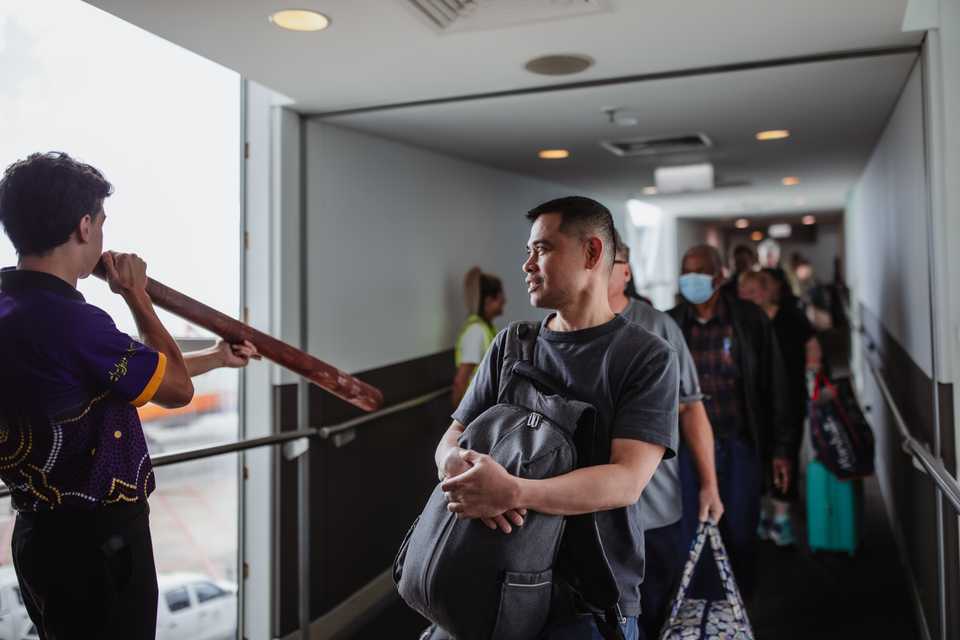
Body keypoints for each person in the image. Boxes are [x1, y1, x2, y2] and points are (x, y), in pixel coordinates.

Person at [0, 152, 259, 639]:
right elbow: (177, 391)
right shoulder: (74, 322)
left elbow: (132, 382)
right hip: (100, 546)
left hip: (37, 538)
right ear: (83, 226)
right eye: (100, 222)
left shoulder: (14, 311)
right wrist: (136, 294)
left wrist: (218, 357)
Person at [438, 196, 679, 639]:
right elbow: (451, 437)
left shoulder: (645, 357)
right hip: (489, 576)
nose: (527, 264)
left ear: (591, 253)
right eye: (529, 250)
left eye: (543, 249)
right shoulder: (511, 345)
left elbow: (626, 480)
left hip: (585, 599)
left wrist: (512, 491)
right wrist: (452, 465)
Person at [607, 233, 723, 637]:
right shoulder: (558, 331)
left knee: (656, 612)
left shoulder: (657, 328)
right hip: (587, 515)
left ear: (625, 271)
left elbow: (692, 408)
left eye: (609, 262)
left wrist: (709, 485)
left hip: (652, 511)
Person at [667, 245, 790, 601]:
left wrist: (781, 449)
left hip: (738, 446)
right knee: (693, 533)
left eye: (700, 272)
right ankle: (701, 611)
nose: (691, 279)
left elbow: (775, 386)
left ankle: (739, 609)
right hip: (688, 451)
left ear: (719, 277)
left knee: (738, 532)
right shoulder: (671, 324)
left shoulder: (749, 321)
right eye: (686, 271)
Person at [738, 269, 821, 546]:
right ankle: (762, 513)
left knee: (786, 454)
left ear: (765, 291)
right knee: (760, 457)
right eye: (743, 292)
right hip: (755, 404)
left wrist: (813, 374)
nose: (746, 297)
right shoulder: (744, 322)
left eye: (752, 291)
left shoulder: (789, 316)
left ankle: (782, 518)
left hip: (790, 399)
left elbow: (812, 344)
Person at [452, 268, 504, 407]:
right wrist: (457, 421)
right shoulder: (476, 332)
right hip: (474, 408)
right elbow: (461, 381)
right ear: (488, 301)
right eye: (500, 297)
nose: (504, 301)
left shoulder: (487, 329)